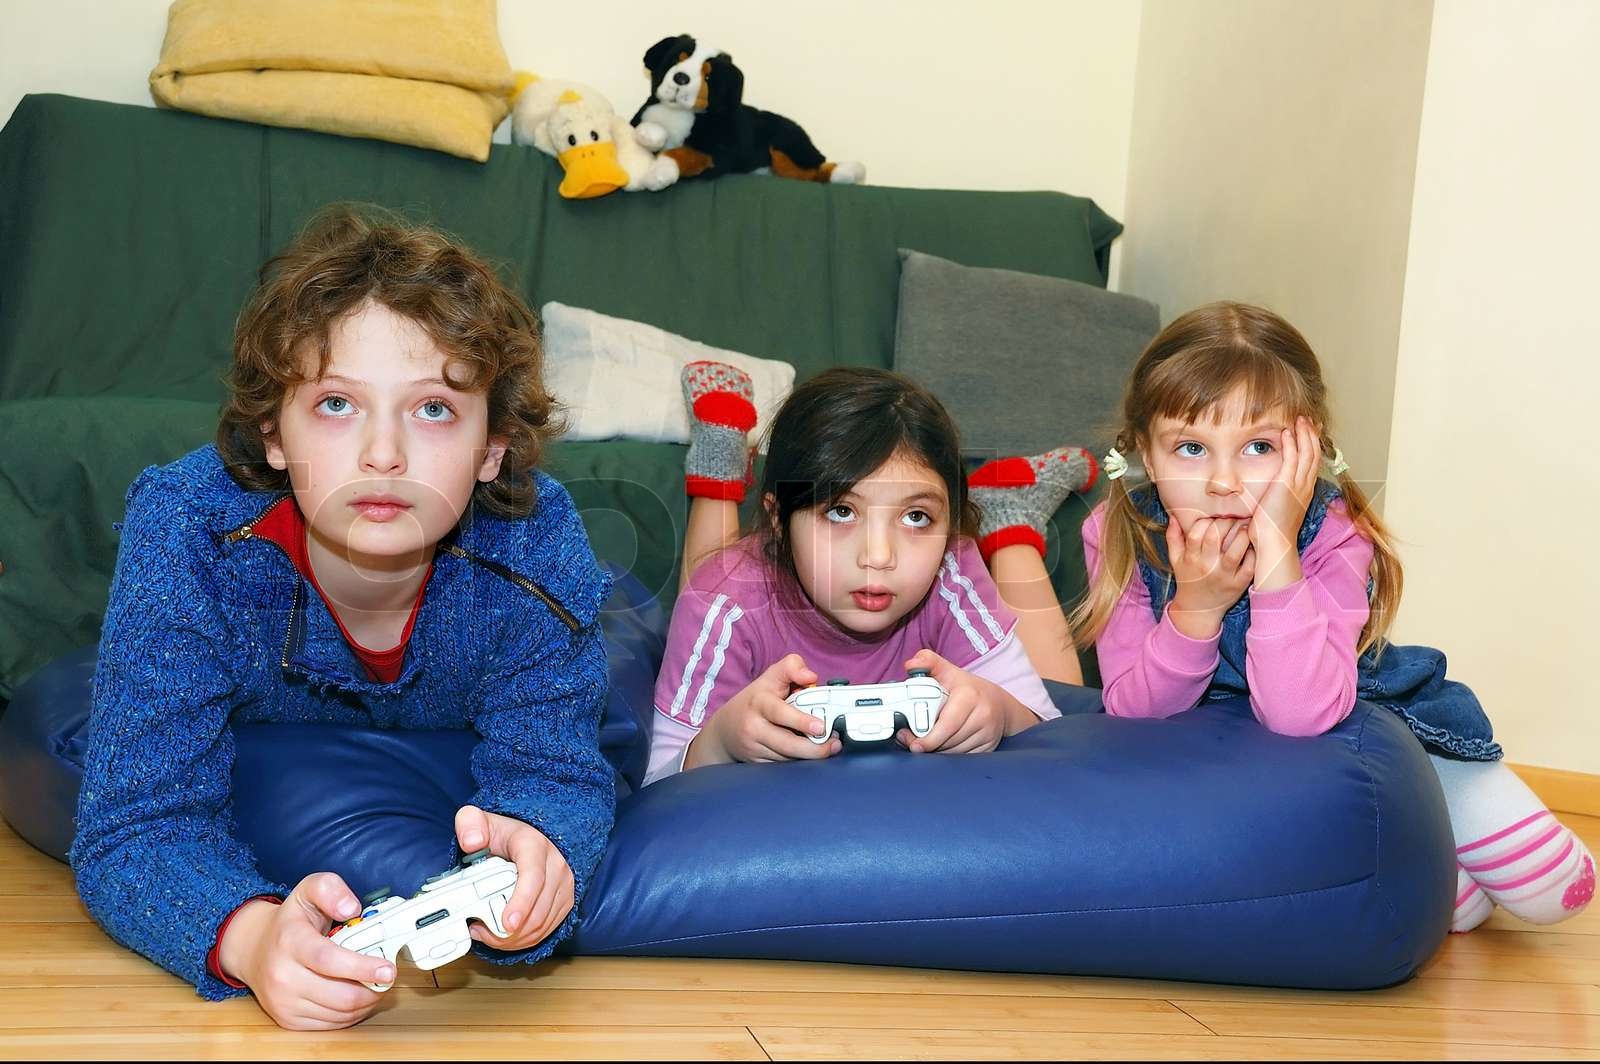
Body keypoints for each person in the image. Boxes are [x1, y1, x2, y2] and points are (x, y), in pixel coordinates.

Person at [70, 207, 617, 1027]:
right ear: (274, 432)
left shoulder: (535, 539)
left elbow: (559, 771)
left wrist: (543, 853)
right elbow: (134, 819)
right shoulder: (188, 528)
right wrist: (250, 941)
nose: (383, 454)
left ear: (492, 447)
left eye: (433, 408)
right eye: (335, 404)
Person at [1067, 300, 1593, 932]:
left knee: (1550, 890)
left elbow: (1304, 711)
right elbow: (1134, 713)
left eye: (1258, 446)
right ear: (1147, 458)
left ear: (1307, 449)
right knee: (1441, 908)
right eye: (1190, 448)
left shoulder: (1333, 530)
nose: (1224, 482)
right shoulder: (1118, 530)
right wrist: (1194, 610)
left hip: (1351, 710)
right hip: (1232, 746)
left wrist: (1279, 555)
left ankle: (1448, 781)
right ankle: (1431, 842)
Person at [645, 365, 1080, 784]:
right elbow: (655, 784)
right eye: (840, 510)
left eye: (915, 517)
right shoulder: (722, 602)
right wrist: (720, 741)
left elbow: (1046, 730)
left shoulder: (951, 570)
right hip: (740, 582)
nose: (878, 555)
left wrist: (1000, 711)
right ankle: (718, 464)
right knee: (717, 572)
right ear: (779, 520)